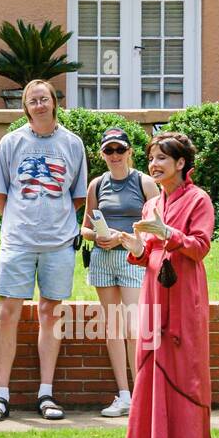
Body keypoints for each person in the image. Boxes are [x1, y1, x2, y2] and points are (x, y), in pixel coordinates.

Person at [0, 80, 87, 423]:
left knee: (50, 313)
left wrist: (51, 223)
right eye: (33, 100)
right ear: (25, 107)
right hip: (18, 241)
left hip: (59, 243)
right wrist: (22, 222)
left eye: (45, 99)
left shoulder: (72, 144)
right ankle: (0, 395)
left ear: (54, 103)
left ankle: (46, 392)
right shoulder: (11, 143)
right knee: (8, 311)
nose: (39, 105)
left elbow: (77, 196)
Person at [113, 132, 216, 438]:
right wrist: (136, 246)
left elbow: (199, 247)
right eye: (152, 158)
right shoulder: (151, 204)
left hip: (184, 293)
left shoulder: (199, 199)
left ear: (181, 163)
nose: (153, 165)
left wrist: (169, 233)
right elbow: (148, 253)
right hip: (153, 292)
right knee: (150, 365)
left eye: (161, 159)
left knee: (183, 367)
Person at [80, 127, 158, 417]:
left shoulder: (145, 182)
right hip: (103, 258)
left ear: (129, 152)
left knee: (134, 326)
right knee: (113, 326)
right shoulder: (97, 185)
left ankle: (142, 394)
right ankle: (123, 394)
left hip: (132, 259)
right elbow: (85, 227)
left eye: (119, 150)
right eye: (109, 150)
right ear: (102, 154)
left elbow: (155, 225)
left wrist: (122, 237)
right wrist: (97, 236)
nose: (114, 155)